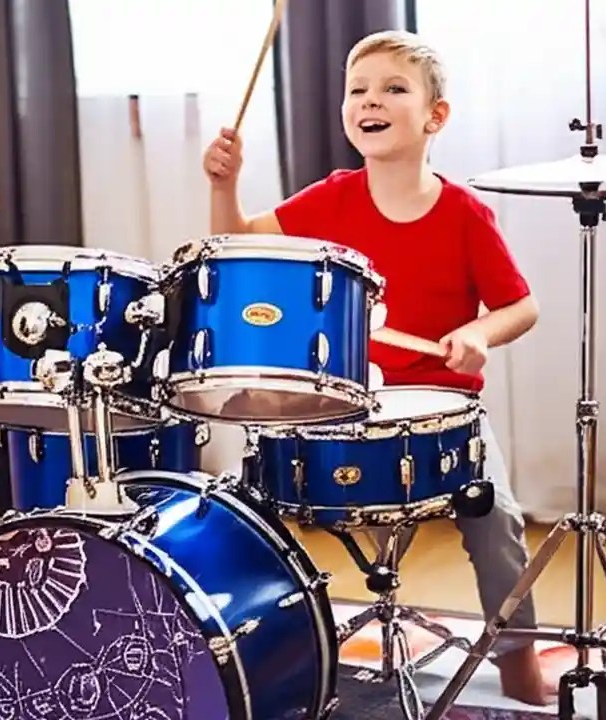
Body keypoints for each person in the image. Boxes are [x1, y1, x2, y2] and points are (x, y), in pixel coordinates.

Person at [201, 29, 554, 706]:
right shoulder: (333, 198)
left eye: (394, 88)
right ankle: (264, 651)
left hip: (448, 410)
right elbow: (236, 242)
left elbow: (521, 305)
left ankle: (517, 662)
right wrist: (225, 182)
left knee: (498, 520)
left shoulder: (463, 212)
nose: (372, 100)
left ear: (435, 116)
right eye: (358, 90)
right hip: (349, 403)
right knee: (251, 498)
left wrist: (478, 331)